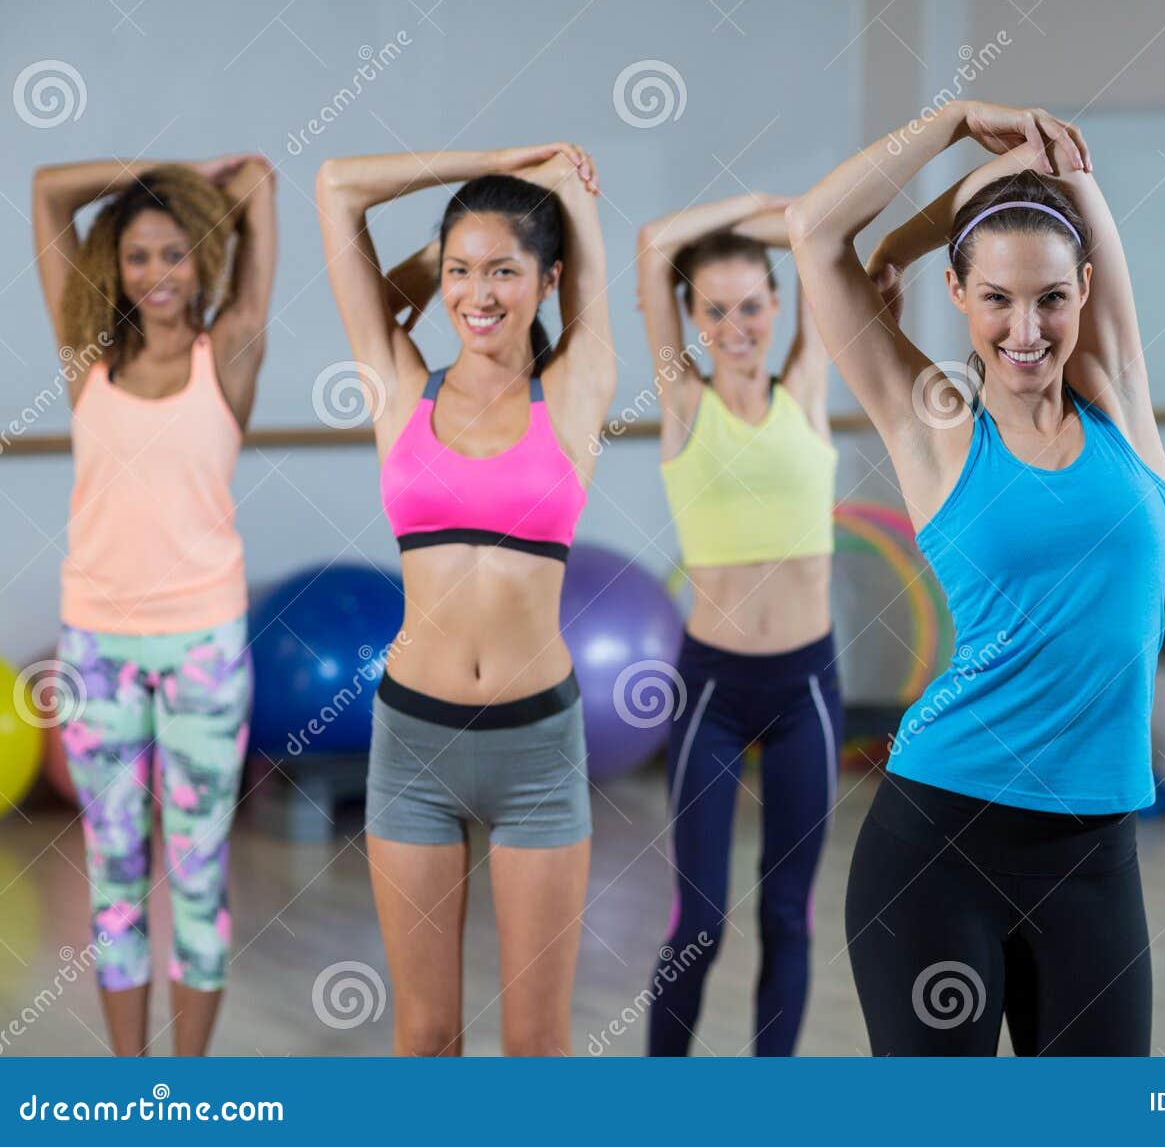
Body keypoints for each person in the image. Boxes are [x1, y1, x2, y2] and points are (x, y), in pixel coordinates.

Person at [788, 100, 1165, 1055]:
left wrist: (947, 222)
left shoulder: (1120, 396)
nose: (1028, 327)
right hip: (939, 843)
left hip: (1095, 855)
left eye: (1050, 296)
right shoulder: (934, 424)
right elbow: (815, 230)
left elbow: (1060, 167)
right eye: (996, 296)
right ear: (959, 295)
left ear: (1086, 288)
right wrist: (953, 120)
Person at [316, 142, 614, 1055]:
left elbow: (584, 247)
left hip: (537, 751)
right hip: (413, 742)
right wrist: (499, 159)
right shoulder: (397, 385)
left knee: (536, 1042)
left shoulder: (572, 389)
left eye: (504, 271)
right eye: (457, 269)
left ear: (548, 279)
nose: (477, 293)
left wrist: (562, 183)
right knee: (428, 1032)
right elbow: (337, 186)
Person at [33, 152, 277, 1055]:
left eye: (175, 252)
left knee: (200, 873)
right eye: (138, 255)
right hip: (96, 641)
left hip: (204, 645)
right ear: (114, 265)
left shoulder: (233, 351)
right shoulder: (84, 357)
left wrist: (197, 189)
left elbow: (258, 184)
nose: (157, 274)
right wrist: (154, 174)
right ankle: (130, 1087)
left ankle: (190, 1092)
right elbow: (49, 191)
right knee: (114, 875)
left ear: (202, 256)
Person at [635, 193, 839, 1055]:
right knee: (702, 919)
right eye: (714, 309)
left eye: (752, 303)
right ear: (689, 318)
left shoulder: (808, 389)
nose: (736, 323)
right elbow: (653, 238)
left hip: (808, 691)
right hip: (714, 690)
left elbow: (826, 241)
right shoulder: (686, 406)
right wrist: (761, 208)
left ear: (779, 305)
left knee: (789, 914)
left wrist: (789, 229)